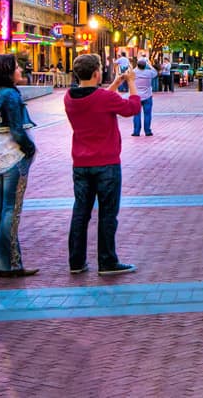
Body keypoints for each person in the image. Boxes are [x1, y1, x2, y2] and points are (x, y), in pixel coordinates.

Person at [64, 53, 139, 276]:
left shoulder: (69, 97)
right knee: (107, 213)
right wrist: (132, 82)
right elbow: (132, 108)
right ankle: (106, 261)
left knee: (81, 212)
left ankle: (76, 261)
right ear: (97, 73)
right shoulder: (103, 99)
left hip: (80, 163)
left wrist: (115, 83)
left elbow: (96, 101)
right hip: (107, 163)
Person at [0, 54, 38, 278]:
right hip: (12, 155)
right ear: (7, 72)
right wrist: (30, 150)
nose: (20, 70)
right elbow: (17, 130)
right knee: (10, 211)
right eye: (16, 67)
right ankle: (11, 262)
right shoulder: (11, 95)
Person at [129, 58, 158, 136]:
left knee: (136, 114)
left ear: (137, 65)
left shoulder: (134, 72)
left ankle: (136, 131)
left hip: (136, 96)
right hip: (147, 96)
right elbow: (155, 72)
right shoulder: (149, 73)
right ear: (145, 66)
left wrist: (136, 67)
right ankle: (147, 131)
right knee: (147, 114)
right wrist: (149, 64)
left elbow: (130, 73)